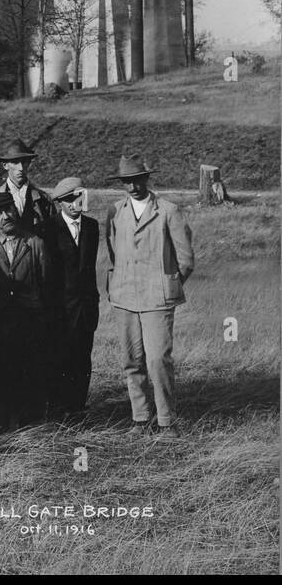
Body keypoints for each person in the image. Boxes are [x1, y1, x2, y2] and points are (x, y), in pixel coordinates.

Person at [104, 156, 194, 434]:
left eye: (137, 180)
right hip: (125, 298)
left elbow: (186, 259)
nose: (132, 186)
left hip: (158, 299)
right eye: (126, 181)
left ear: (147, 178)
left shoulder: (168, 210)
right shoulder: (115, 211)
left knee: (158, 360)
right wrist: (118, 282)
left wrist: (166, 283)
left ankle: (166, 420)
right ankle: (140, 418)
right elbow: (112, 254)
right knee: (132, 361)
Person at [0, 192, 55, 430]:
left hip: (30, 320)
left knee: (31, 372)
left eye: (9, 210)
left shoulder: (34, 243)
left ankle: (31, 426)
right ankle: (2, 426)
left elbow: (46, 281)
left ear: (16, 211)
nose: (5, 216)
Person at [46, 177, 101, 420]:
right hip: (59, 309)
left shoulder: (92, 226)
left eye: (78, 197)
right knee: (59, 358)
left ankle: (78, 407)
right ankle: (58, 409)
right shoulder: (47, 229)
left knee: (82, 359)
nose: (74, 203)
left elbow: (88, 269)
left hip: (87, 307)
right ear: (59, 202)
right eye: (68, 199)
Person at [0, 139, 56, 240]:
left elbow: (52, 236)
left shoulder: (44, 200)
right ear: (5, 165)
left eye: (24, 162)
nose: (21, 168)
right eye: (15, 162)